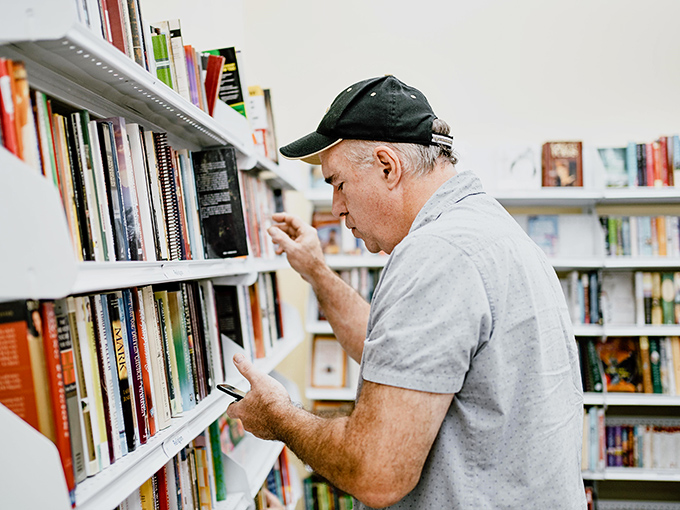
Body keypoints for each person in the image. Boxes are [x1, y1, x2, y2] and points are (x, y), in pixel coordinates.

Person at [226, 75, 586, 509]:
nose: (337, 207)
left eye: (338, 183)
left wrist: (280, 418)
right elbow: (405, 361)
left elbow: (376, 472)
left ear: (387, 166)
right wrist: (317, 271)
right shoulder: (486, 229)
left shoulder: (438, 253)